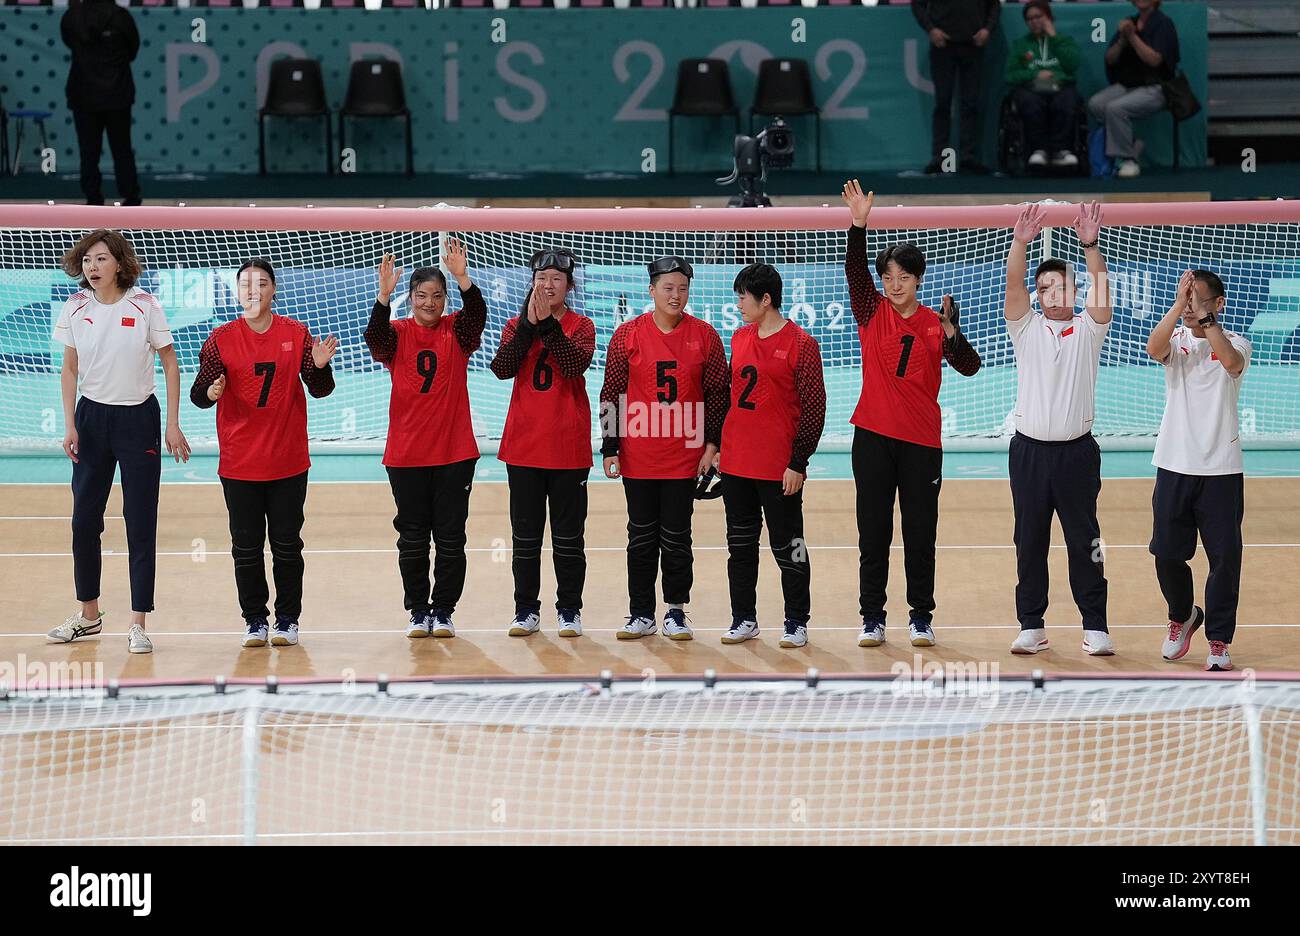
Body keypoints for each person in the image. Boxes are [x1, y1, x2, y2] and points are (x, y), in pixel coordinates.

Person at [841, 180, 982, 649]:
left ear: (918, 279)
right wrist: (859, 223)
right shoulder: (870, 310)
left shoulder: (933, 322)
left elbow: (969, 366)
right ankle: (872, 618)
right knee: (873, 532)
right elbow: (855, 272)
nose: (894, 285)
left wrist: (953, 335)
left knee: (921, 535)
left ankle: (921, 617)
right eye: (888, 277)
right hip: (873, 438)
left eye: (903, 277)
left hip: (922, 443)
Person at [47, 229, 190, 654]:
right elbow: (69, 369)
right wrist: (70, 424)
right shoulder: (75, 306)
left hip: (138, 420)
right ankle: (88, 615)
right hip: (91, 420)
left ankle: (138, 622)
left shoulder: (145, 305)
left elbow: (169, 361)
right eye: (88, 259)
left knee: (140, 522)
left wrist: (173, 423)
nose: (93, 267)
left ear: (120, 263)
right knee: (83, 521)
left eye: (102, 259)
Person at [190, 258, 337, 648]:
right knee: (246, 547)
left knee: (288, 546)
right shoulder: (221, 338)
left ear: (274, 289)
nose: (253, 291)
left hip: (288, 460)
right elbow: (198, 394)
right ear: (237, 292)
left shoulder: (296, 332)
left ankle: (287, 620)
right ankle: (255, 620)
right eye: (245, 285)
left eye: (262, 283)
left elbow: (320, 388)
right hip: (240, 463)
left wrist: (320, 368)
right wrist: (211, 392)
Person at [599, 256, 729, 641]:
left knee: (677, 537)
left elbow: (718, 394)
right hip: (638, 454)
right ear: (651, 290)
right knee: (639, 537)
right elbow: (612, 393)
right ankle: (640, 612)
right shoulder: (627, 335)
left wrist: (713, 443)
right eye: (668, 288)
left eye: (683, 288)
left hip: (685, 455)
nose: (676, 295)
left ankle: (675, 610)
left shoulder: (705, 335)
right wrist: (610, 446)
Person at [1004, 202, 1113, 656]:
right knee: (1029, 541)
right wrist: (1019, 243)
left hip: (1076, 454)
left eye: (1061, 285)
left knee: (1085, 541)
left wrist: (1090, 245)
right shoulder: (1024, 328)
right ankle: (1032, 624)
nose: (1053, 293)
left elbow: (1102, 290)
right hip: (1029, 453)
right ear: (1037, 294)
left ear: (1074, 290)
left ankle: (1096, 625)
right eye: (1044, 287)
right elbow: (1013, 286)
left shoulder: (1090, 329)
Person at [365, 241, 484, 640]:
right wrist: (382, 295)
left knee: (451, 537)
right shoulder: (396, 334)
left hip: (454, 454)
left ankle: (444, 610)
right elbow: (374, 337)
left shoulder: (458, 332)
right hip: (407, 455)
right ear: (410, 299)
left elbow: (477, 315)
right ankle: (418, 610)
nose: (429, 303)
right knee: (412, 537)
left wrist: (463, 278)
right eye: (421, 296)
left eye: (437, 296)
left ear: (445, 299)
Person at [1146, 269, 1250, 672]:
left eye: (1198, 298)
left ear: (1218, 303)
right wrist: (1178, 305)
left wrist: (1206, 322)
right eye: (1186, 298)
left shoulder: (1237, 341)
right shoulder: (1176, 340)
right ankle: (1182, 615)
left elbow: (1231, 361)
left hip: (1222, 470)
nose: (1190, 306)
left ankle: (1219, 640)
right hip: (1174, 464)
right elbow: (1154, 349)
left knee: (1225, 559)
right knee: (1167, 554)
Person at [718, 263, 826, 648]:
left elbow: (815, 408)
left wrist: (799, 461)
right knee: (740, 547)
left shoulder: (802, 343)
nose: (739, 304)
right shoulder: (739, 337)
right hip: (736, 465)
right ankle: (743, 618)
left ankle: (796, 620)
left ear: (766, 299)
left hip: (779, 468)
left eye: (743, 297)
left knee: (790, 545)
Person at [490, 248, 596, 638]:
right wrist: (526, 326)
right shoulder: (514, 325)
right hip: (523, 448)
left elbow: (572, 365)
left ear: (569, 285)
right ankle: (525, 609)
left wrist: (547, 325)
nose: (548, 284)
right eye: (541, 277)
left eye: (556, 278)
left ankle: (569, 609)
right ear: (532, 281)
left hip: (568, 448)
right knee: (526, 537)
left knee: (569, 538)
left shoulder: (582, 325)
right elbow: (502, 368)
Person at [61, 0, 142, 206]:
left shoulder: (72, 16)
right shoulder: (121, 17)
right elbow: (133, 49)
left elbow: (68, 40)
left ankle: (93, 197)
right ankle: (131, 196)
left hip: (84, 94)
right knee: (122, 148)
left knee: (88, 151)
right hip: (117, 95)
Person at [1089, 0, 1180, 179]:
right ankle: (1130, 145)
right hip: (1127, 85)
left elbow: (1154, 60)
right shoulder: (1128, 22)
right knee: (1096, 104)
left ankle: (1127, 159)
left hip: (1156, 88)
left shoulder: (1163, 24)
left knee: (1115, 108)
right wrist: (1123, 39)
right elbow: (1110, 59)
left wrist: (1133, 37)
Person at [912, 0, 1001, 175]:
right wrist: (931, 29)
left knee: (971, 103)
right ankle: (941, 158)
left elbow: (994, 6)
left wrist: (987, 29)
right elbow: (917, 4)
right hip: (943, 44)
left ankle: (969, 157)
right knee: (943, 103)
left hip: (973, 44)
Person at [1005, 0, 1083, 170]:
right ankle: (1038, 150)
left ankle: (1061, 150)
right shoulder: (1021, 44)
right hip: (1032, 87)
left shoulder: (1064, 40)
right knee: (1029, 102)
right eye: (1030, 19)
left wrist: (1053, 38)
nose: (1034, 21)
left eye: (1038, 17)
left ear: (1048, 17)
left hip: (1060, 85)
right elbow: (1010, 75)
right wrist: (1035, 74)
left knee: (1067, 100)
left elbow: (1072, 65)